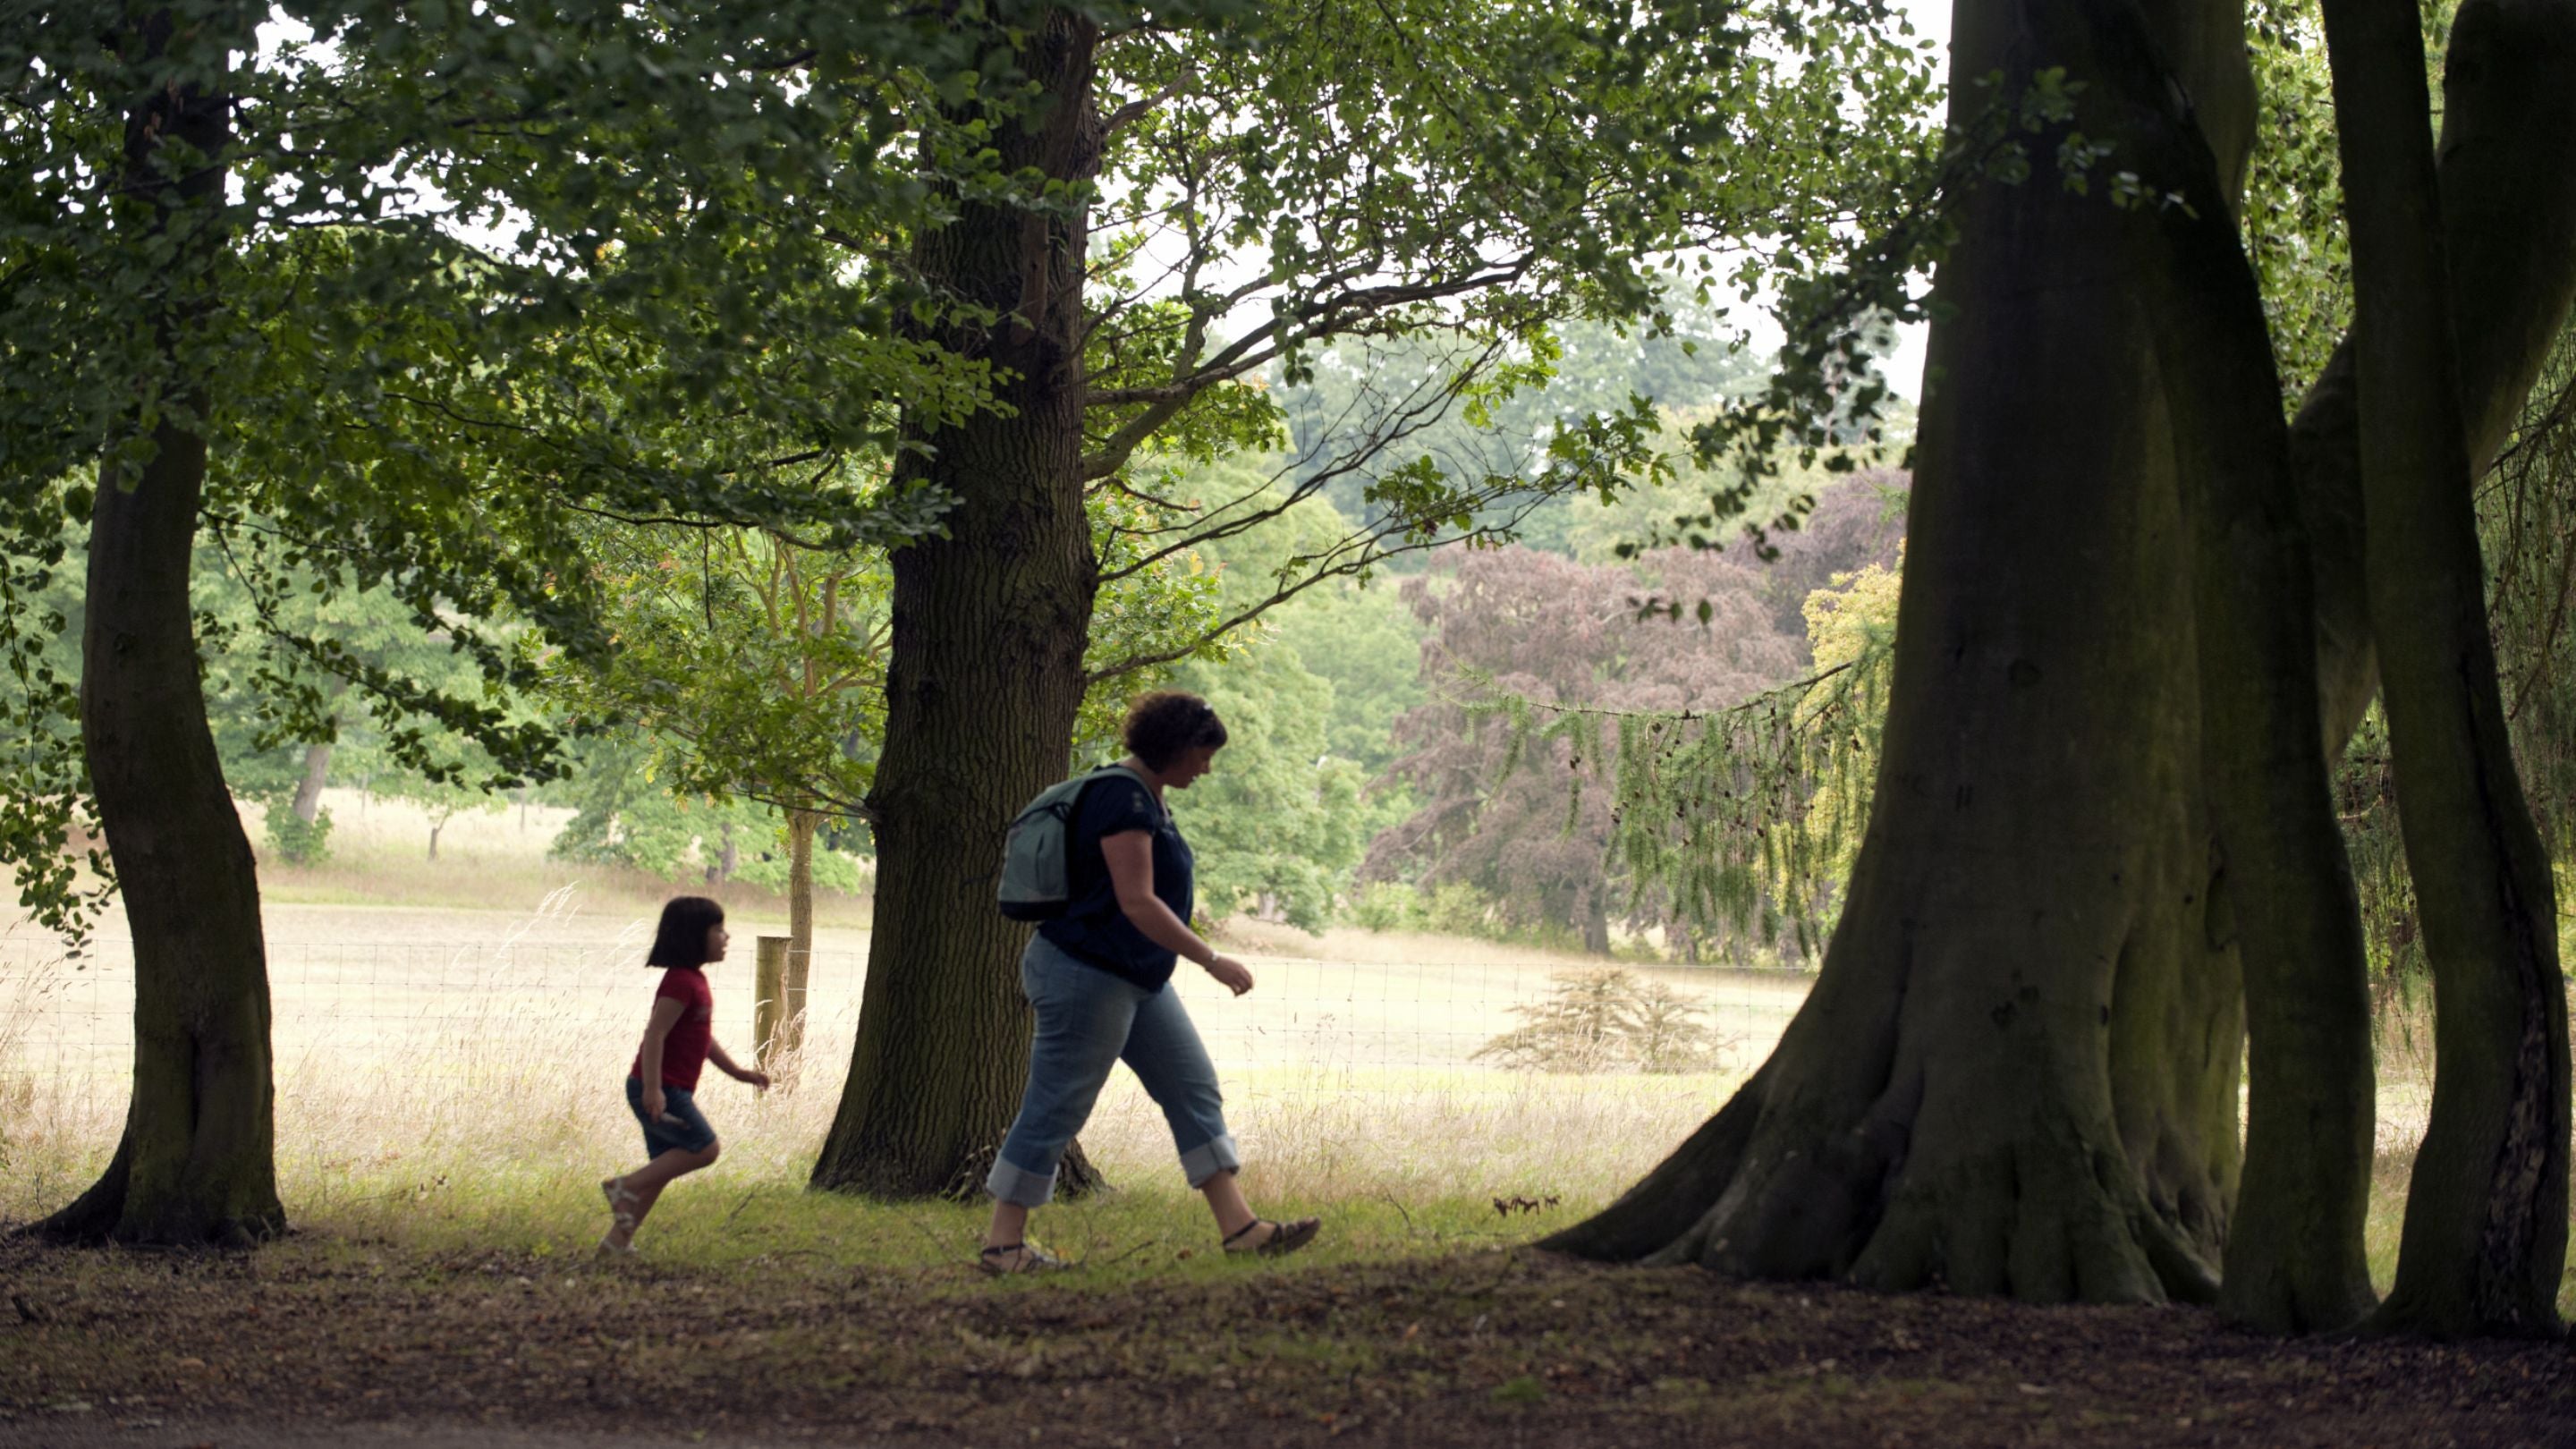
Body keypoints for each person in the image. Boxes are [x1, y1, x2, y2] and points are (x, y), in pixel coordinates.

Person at [979, 691, 1321, 1275]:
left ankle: (1240, 1228)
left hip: (1139, 978)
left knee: (1192, 1088)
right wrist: (1212, 961)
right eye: (1201, 754)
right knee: (1056, 1104)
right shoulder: (1120, 798)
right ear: (1172, 747)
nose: (1207, 767)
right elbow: (1137, 902)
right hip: (1085, 975)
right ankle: (1002, 1247)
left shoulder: (1151, 799)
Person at [599, 895, 767, 1254]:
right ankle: (623, 1187)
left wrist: (737, 1072)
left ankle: (615, 1244)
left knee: (660, 1172)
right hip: (661, 1089)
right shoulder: (680, 983)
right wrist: (654, 1090)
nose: (726, 936)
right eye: (718, 929)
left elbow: (701, 1039)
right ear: (695, 936)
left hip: (670, 1089)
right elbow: (655, 1033)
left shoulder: (695, 981)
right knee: (706, 1148)